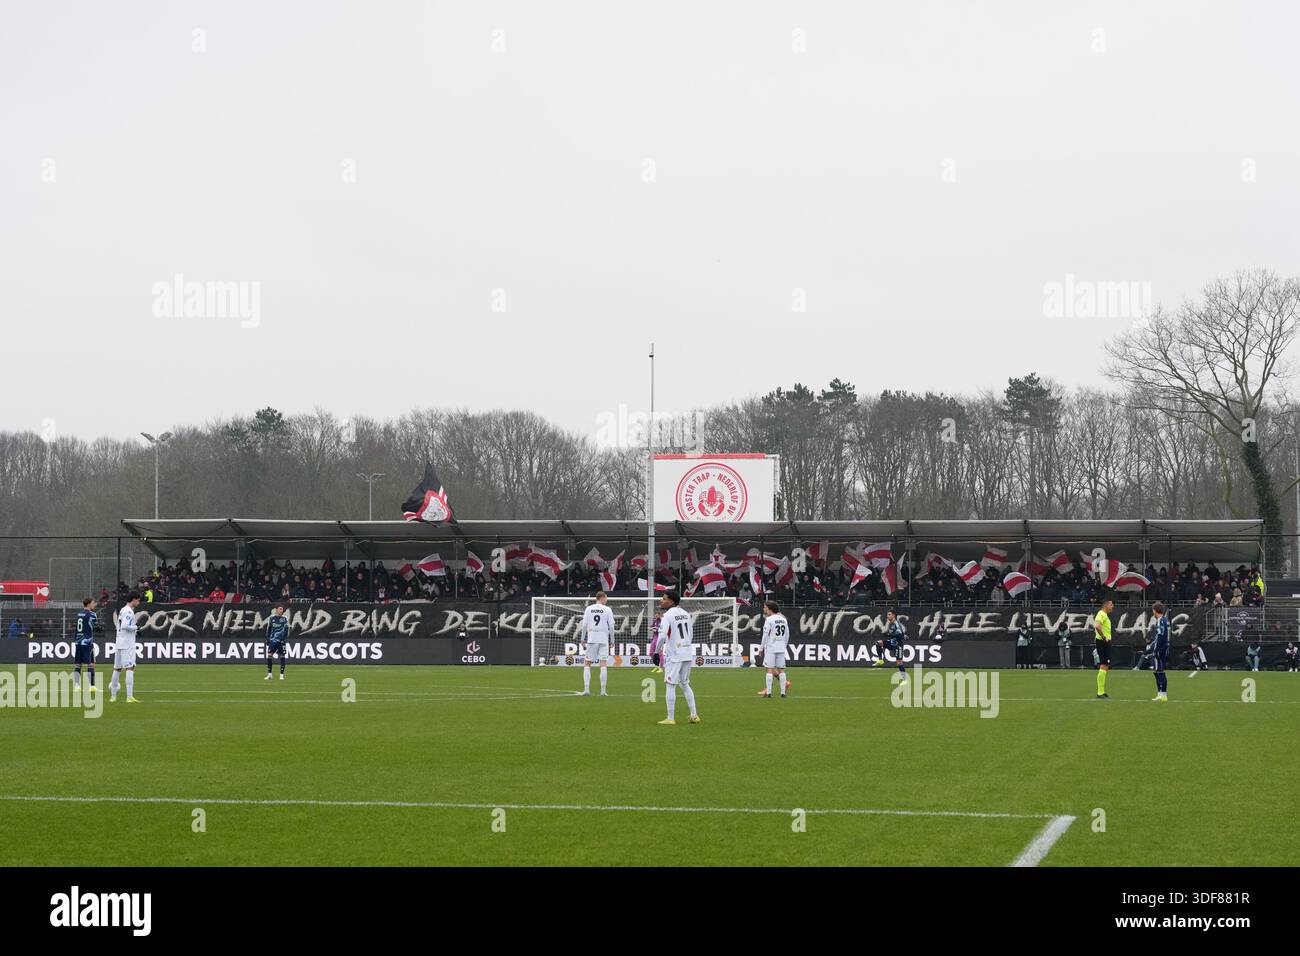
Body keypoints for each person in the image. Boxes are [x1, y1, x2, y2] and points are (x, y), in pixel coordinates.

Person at [656, 592, 700, 726]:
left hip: (674, 654)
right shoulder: (686, 614)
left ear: (671, 601)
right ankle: (694, 715)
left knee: (670, 684)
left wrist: (656, 651)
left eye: (664, 599)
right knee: (685, 683)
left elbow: (662, 636)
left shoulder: (667, 616)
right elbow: (691, 634)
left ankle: (670, 718)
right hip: (687, 652)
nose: (661, 601)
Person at [579, 591, 615, 697]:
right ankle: (603, 691)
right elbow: (612, 626)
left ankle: (586, 690)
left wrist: (582, 639)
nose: (607, 600)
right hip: (603, 640)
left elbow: (584, 625)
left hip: (592, 639)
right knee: (603, 664)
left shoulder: (589, 609)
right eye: (606, 598)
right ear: (602, 597)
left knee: (587, 663)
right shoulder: (607, 609)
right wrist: (612, 640)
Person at [110, 591, 142, 703]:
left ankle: (113, 697)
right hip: (127, 643)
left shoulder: (123, 610)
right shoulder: (128, 611)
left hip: (119, 641)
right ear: (133, 599)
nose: (139, 602)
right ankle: (129, 697)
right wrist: (136, 628)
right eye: (138, 600)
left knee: (117, 668)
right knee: (130, 668)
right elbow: (125, 626)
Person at [756, 600, 791, 699]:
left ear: (769, 608)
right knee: (781, 670)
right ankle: (783, 693)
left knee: (769, 669)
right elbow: (787, 634)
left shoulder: (769, 620)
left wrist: (761, 648)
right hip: (781, 646)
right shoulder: (783, 619)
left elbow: (765, 635)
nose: (764, 609)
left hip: (771, 646)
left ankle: (769, 693)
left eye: (765, 607)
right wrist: (784, 645)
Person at [871, 609, 908, 682]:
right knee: (878, 643)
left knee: (899, 662)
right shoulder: (892, 624)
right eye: (887, 614)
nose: (888, 616)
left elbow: (899, 634)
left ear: (893, 615)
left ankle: (905, 680)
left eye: (889, 614)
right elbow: (901, 634)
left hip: (898, 645)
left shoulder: (896, 623)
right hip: (892, 643)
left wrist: (889, 634)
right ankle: (880, 660)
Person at [73, 598, 98, 695]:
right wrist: (98, 628)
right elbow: (95, 626)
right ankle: (92, 686)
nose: (94, 604)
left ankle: (77, 686)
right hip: (87, 642)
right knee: (91, 664)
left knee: (78, 664)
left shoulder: (79, 614)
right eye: (93, 603)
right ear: (88, 604)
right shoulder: (92, 614)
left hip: (78, 642)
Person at [1094, 598, 1114, 699]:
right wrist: (1103, 637)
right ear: (1106, 605)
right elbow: (1097, 626)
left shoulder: (1104, 615)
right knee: (1103, 665)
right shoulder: (1101, 614)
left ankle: (1101, 691)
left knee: (1105, 666)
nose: (1112, 607)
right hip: (1103, 642)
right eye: (1111, 605)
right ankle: (1100, 692)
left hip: (1105, 642)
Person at [1150, 601, 1170, 702]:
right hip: (1164, 648)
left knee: (1159, 672)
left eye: (1153, 610)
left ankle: (1162, 694)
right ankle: (1162, 694)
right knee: (1158, 671)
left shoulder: (1160, 620)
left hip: (1160, 649)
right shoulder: (1166, 620)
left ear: (1155, 610)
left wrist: (1155, 649)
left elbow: (1160, 635)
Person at [264, 604, 290, 680]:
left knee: (282, 656)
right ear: (276, 609)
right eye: (280, 609)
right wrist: (268, 639)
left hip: (281, 641)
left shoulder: (284, 619)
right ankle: (269, 674)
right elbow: (269, 629)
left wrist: (283, 639)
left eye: (282, 609)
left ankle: (281, 675)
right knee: (269, 655)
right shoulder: (271, 618)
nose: (281, 610)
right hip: (273, 640)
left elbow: (286, 630)